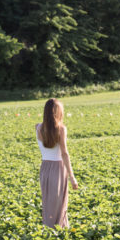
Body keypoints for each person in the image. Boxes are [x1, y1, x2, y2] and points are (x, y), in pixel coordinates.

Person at [36, 97, 79, 227]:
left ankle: (48, 229)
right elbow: (65, 154)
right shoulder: (61, 129)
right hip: (58, 167)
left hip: (44, 167)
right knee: (60, 204)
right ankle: (60, 230)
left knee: (48, 203)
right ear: (58, 112)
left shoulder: (38, 127)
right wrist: (72, 177)